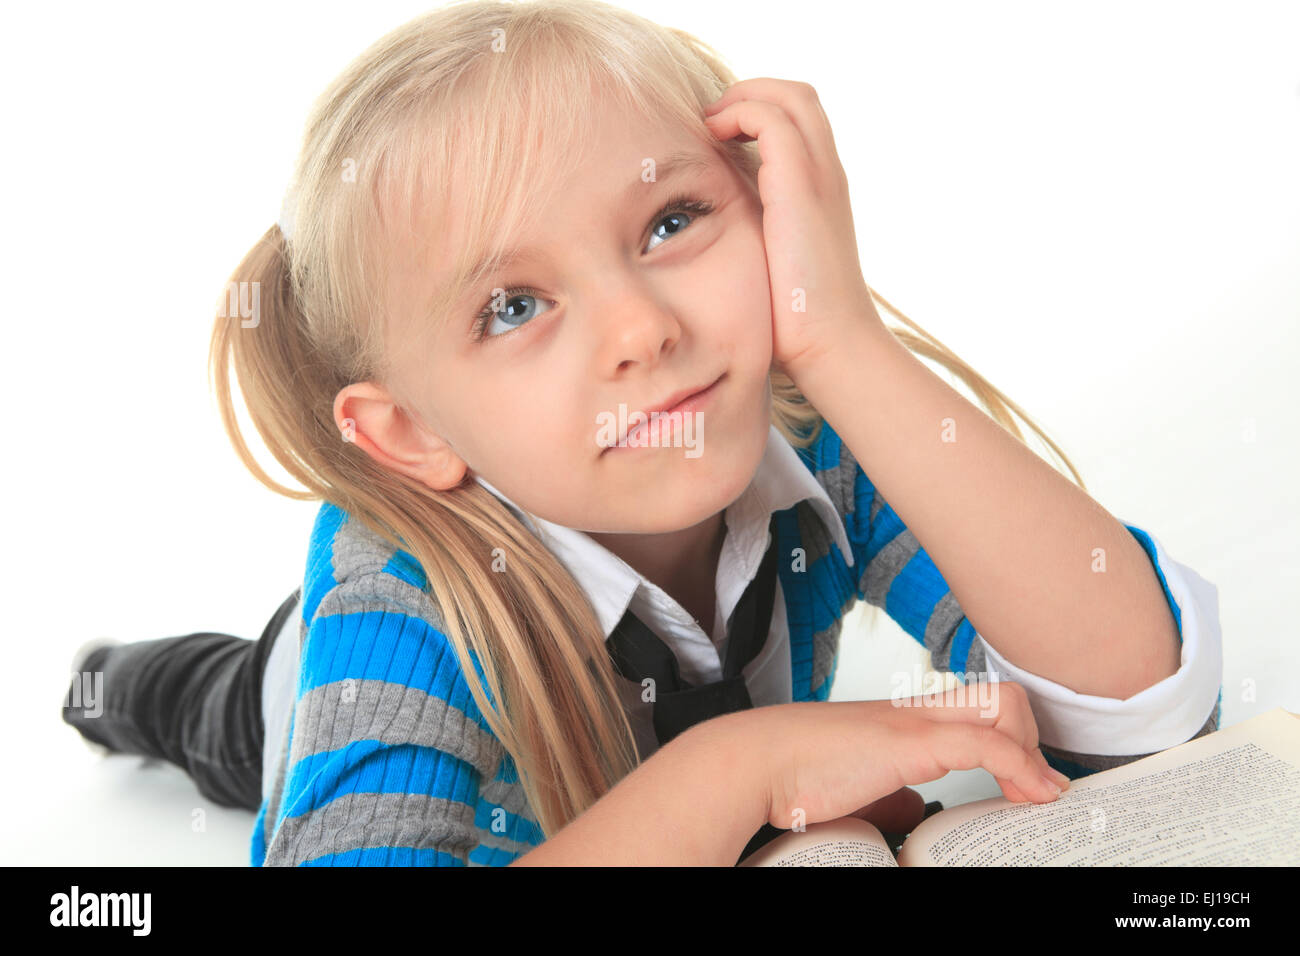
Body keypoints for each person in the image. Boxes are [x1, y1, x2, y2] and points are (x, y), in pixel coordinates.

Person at [62, 0, 1223, 867]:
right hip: (294, 681)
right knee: (196, 700)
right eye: (513, 306)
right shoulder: (399, 599)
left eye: (671, 220)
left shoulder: (811, 432)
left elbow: (1138, 705)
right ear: (409, 430)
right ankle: (104, 681)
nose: (641, 328)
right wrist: (740, 767)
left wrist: (843, 340)